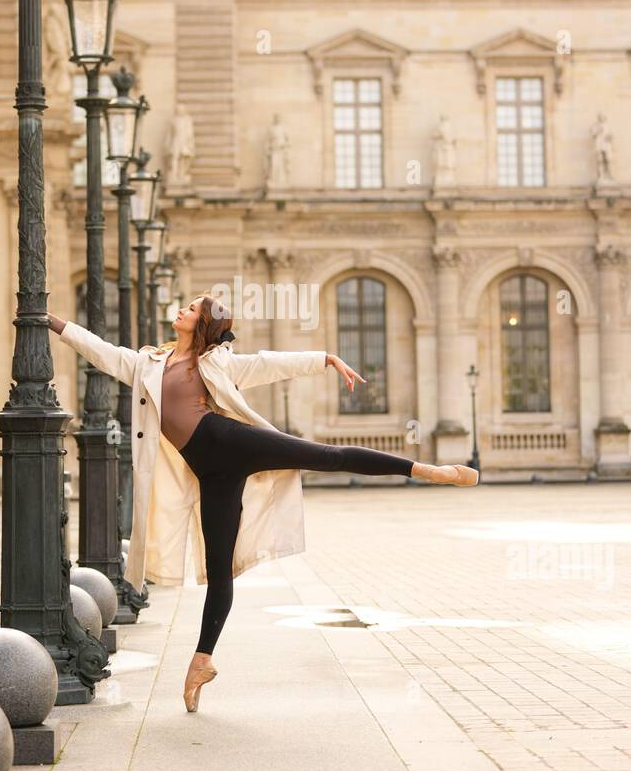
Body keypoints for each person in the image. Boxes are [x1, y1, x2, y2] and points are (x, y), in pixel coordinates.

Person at [49, 294, 478, 712]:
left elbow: (267, 363)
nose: (183, 309)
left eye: (192, 308)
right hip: (212, 472)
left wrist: (323, 358)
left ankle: (429, 470)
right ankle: (202, 661)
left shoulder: (216, 361)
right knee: (220, 570)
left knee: (325, 456)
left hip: (232, 441)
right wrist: (52, 322)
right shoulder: (147, 363)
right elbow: (101, 352)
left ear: (202, 325)